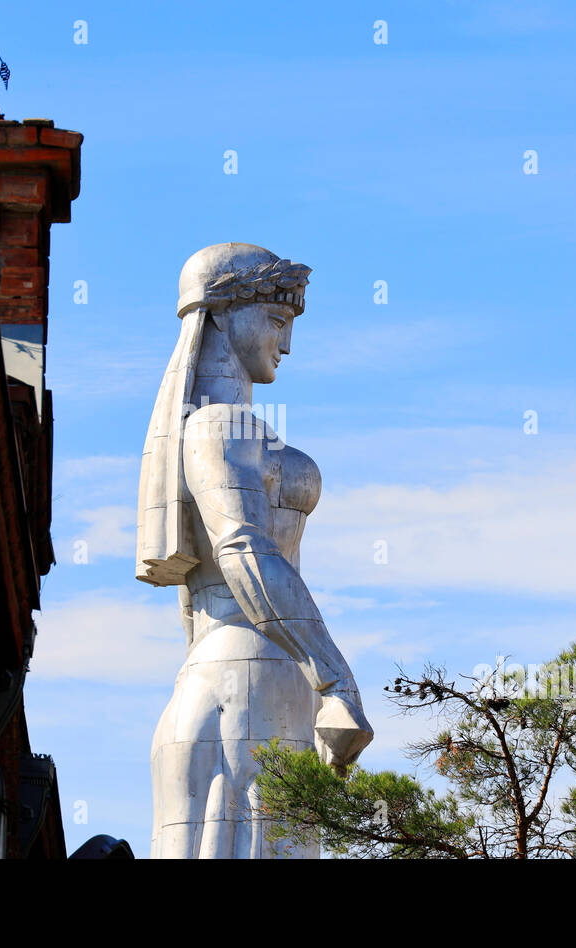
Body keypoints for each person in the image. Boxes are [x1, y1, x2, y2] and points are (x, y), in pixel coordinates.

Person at [137, 242, 374, 858]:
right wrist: (336, 680)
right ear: (222, 315)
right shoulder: (219, 425)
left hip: (251, 680)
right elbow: (242, 549)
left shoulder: (223, 428)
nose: (286, 344)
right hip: (246, 686)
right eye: (276, 320)